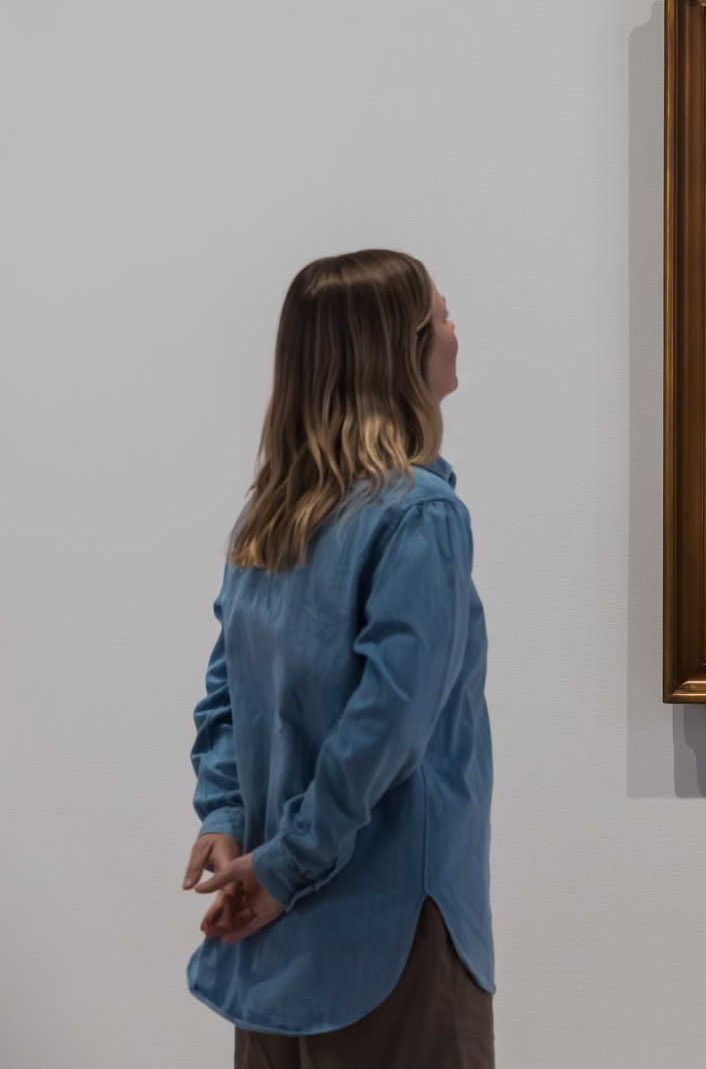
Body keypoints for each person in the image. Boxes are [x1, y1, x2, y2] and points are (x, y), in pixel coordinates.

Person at [183, 249, 493, 1067]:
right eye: (444, 317)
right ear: (403, 351)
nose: (458, 335)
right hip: (386, 930)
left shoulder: (271, 515)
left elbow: (223, 692)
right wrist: (284, 867)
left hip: (271, 923)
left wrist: (223, 819)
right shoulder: (420, 516)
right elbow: (389, 724)